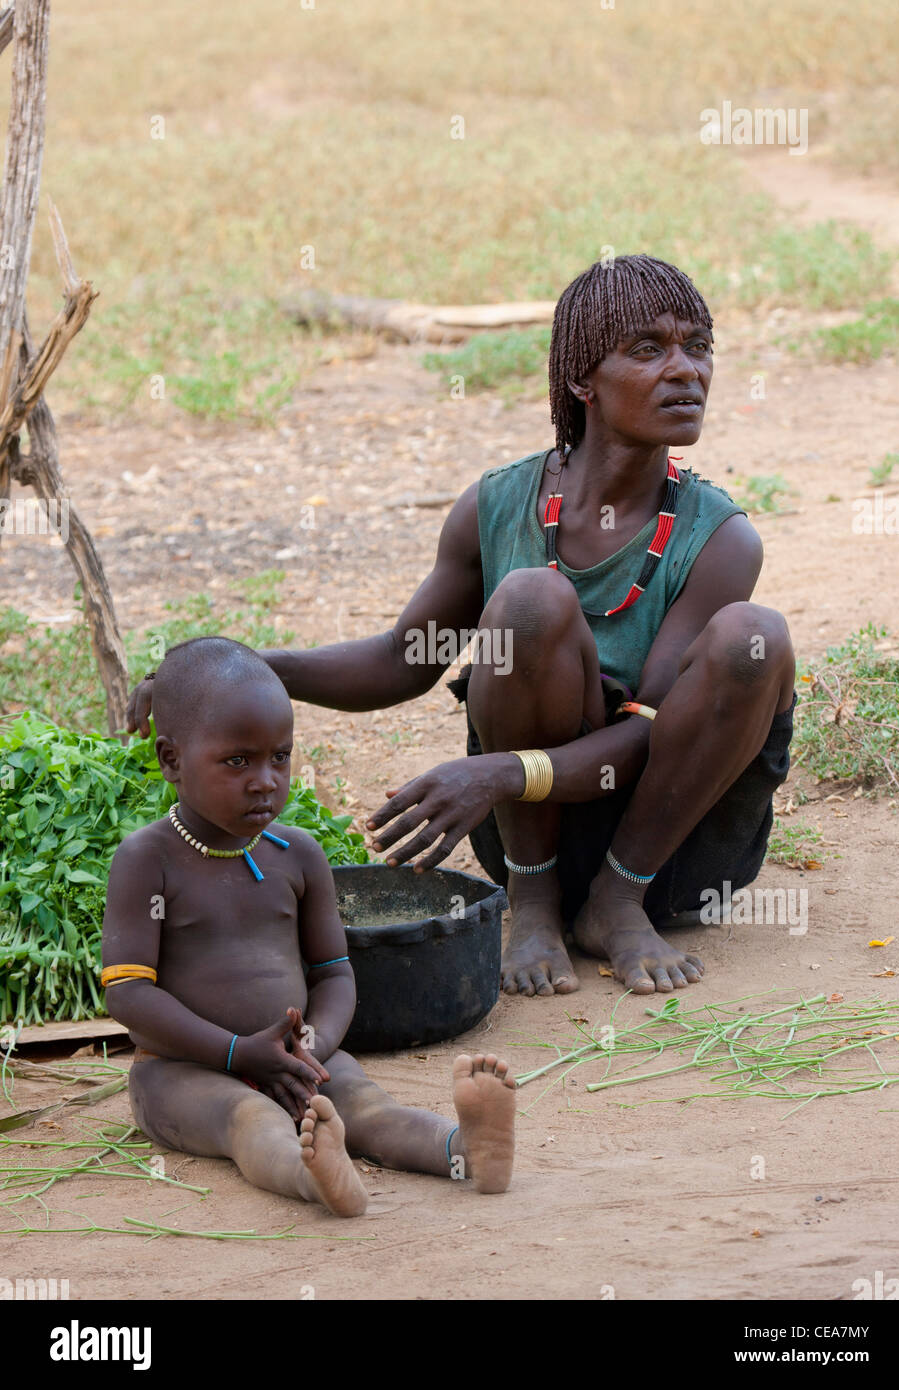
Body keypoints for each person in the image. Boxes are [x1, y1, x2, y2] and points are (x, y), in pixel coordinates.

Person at [127, 254, 795, 1001]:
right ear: (582, 380)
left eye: (697, 347)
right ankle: (534, 905)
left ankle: (614, 903)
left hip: (676, 853)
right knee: (527, 604)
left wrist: (499, 771)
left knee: (751, 637)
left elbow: (653, 729)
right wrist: (227, 669)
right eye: (647, 350)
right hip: (526, 844)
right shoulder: (500, 506)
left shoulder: (719, 537)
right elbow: (403, 658)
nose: (685, 372)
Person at [104, 637, 516, 1216]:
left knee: (369, 1106)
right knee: (246, 1119)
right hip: (183, 1070)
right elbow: (128, 993)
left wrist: (313, 1046)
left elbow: (334, 972)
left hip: (299, 1059)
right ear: (171, 759)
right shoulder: (148, 860)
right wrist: (235, 1053)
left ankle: (466, 1148)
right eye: (237, 761)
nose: (265, 780)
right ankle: (314, 1175)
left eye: (279, 756)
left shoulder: (297, 855)